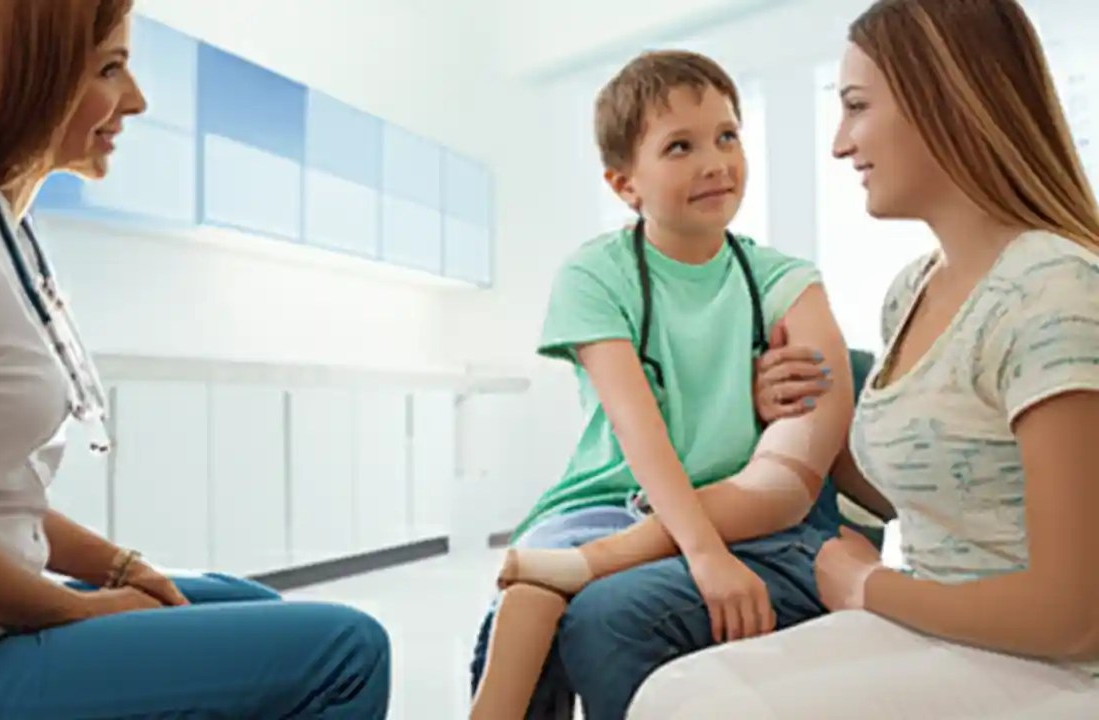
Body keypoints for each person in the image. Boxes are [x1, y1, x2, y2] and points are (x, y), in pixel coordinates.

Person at [0, 2, 390, 718]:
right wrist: (80, 612)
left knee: (246, 602)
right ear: (27, 78)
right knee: (346, 650)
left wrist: (122, 570)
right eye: (110, 69)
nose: (137, 99)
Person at [628, 1, 1099, 717]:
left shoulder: (1055, 290)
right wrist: (775, 412)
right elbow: (941, 478)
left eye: (855, 107)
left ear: (943, 97)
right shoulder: (915, 288)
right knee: (672, 694)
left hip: (1058, 666)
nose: (841, 145)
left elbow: (1073, 616)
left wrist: (866, 585)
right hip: (947, 632)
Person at [467, 50, 856, 720]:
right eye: (680, 146)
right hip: (609, 500)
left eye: (727, 136)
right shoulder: (596, 275)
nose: (714, 162)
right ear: (625, 184)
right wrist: (703, 555)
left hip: (737, 505)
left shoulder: (783, 278)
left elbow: (823, 410)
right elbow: (637, 429)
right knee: (529, 596)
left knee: (581, 602)